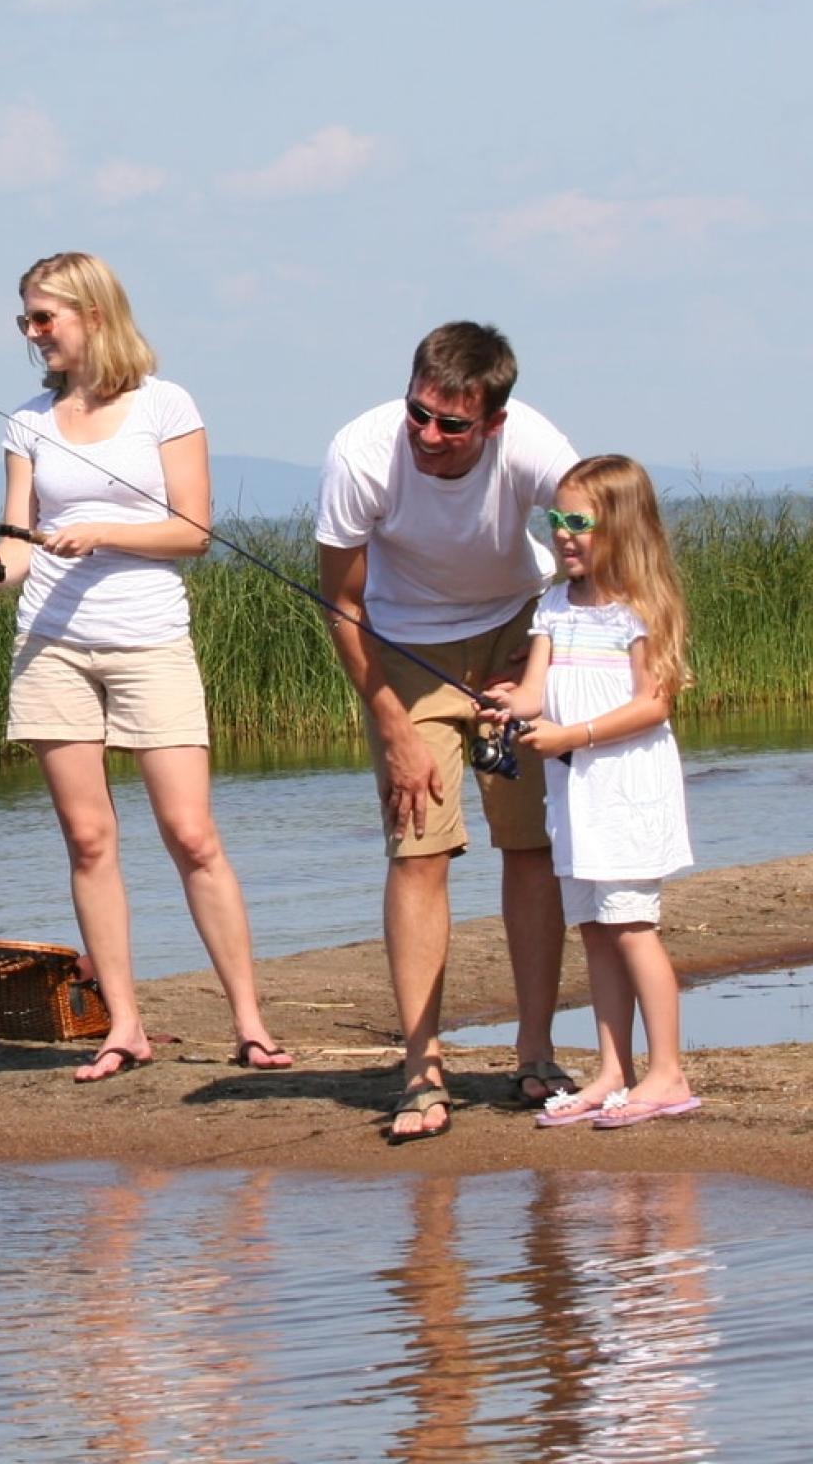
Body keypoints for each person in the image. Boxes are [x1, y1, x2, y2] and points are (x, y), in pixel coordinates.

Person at [0, 251, 290, 1083]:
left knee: (192, 835)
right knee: (90, 839)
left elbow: (193, 532)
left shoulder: (165, 405)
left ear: (92, 316)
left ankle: (249, 1023)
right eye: (25, 319)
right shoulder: (27, 423)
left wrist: (102, 532)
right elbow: (19, 545)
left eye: (43, 318)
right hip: (52, 647)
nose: (32, 334)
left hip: (149, 640)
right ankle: (124, 1026)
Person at [316, 322, 577, 1141]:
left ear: (492, 423)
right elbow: (341, 605)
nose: (429, 436)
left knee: (529, 843)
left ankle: (534, 1051)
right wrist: (392, 725)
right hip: (404, 645)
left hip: (517, 626)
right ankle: (421, 1068)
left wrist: (539, 674)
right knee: (418, 848)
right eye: (418, 414)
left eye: (452, 425)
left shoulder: (535, 443)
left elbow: (599, 538)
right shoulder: (361, 453)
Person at [486, 456, 699, 1129]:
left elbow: (653, 705)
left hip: (628, 792)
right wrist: (508, 704)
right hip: (573, 797)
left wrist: (571, 733)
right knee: (596, 930)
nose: (565, 535)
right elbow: (533, 692)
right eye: (557, 521)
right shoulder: (554, 603)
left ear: (621, 527)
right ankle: (614, 1070)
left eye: (580, 523)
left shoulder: (639, 609)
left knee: (634, 928)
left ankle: (667, 1071)